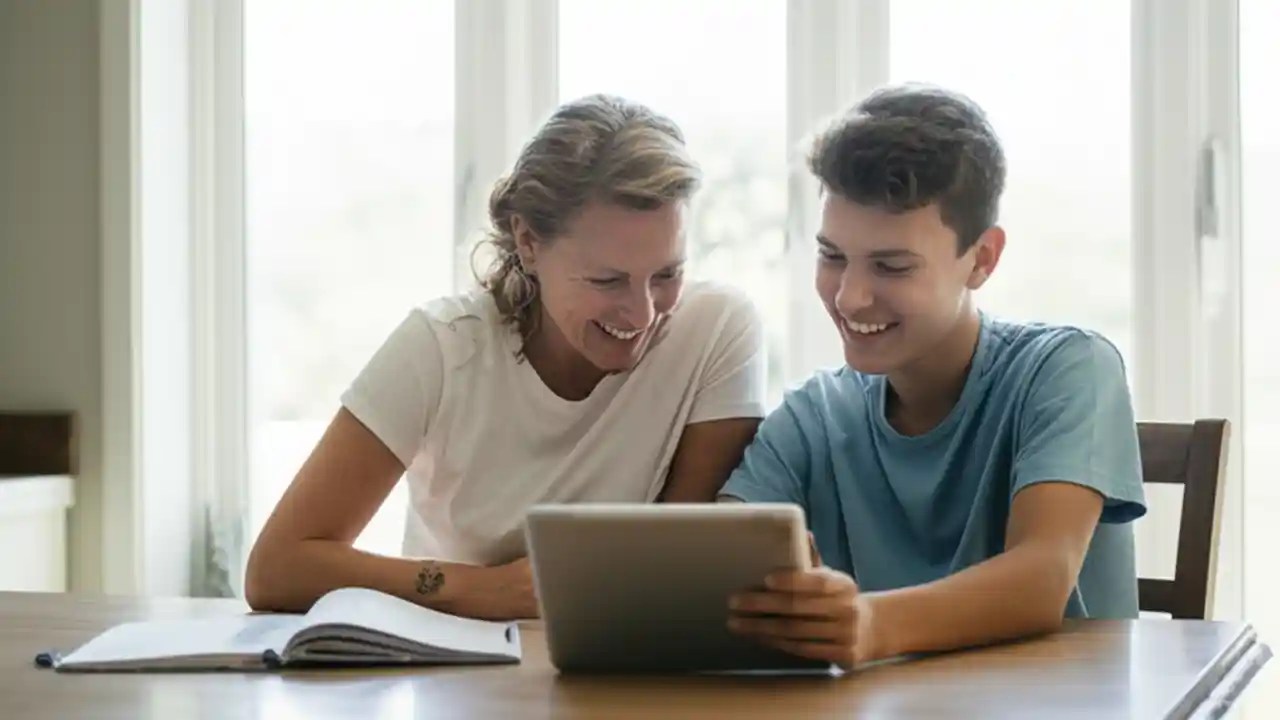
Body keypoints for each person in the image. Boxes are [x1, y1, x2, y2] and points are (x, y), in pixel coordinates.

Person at [245, 94, 768, 620]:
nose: (643, 313)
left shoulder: (715, 331)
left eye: (667, 275)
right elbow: (276, 568)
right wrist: (478, 589)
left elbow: (677, 565)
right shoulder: (442, 348)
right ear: (528, 242)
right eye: (608, 280)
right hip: (461, 673)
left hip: (622, 666)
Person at [722, 84, 1147, 668]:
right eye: (832, 256)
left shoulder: (1070, 369)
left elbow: (1042, 574)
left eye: (891, 266)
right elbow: (716, 556)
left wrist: (870, 624)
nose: (849, 296)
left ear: (982, 259)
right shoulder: (815, 415)